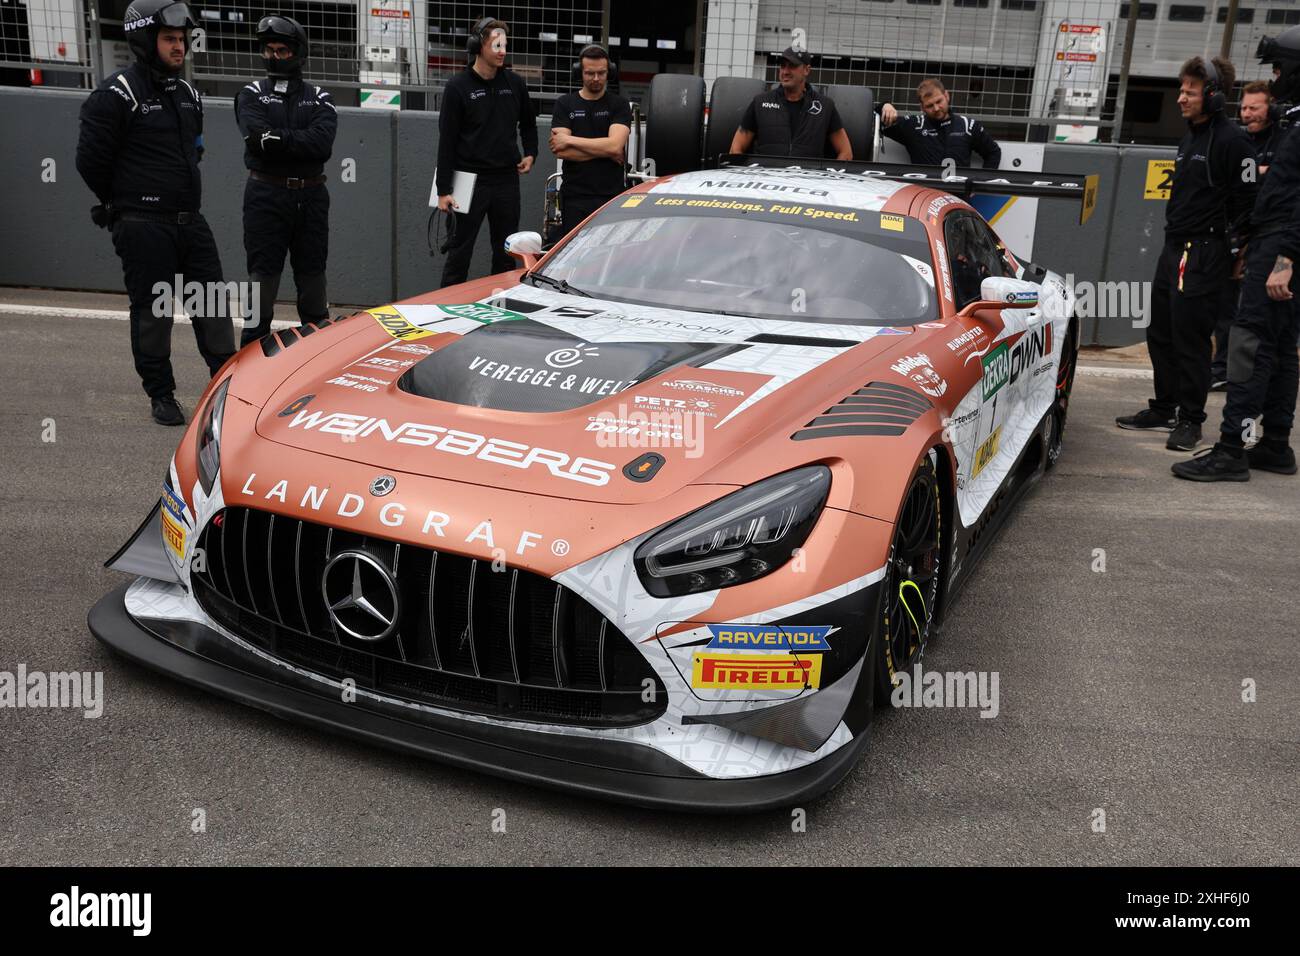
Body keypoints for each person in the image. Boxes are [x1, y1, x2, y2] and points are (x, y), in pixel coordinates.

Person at [75, 0, 234, 426]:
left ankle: (228, 388)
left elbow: (195, 152)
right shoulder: (115, 95)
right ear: (146, 39)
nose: (179, 46)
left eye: (182, 39)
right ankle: (161, 394)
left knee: (215, 307)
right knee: (153, 313)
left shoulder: (188, 94)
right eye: (169, 38)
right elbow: (90, 162)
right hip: (143, 226)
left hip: (189, 221)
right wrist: (121, 206)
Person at [1173, 30, 1300, 481]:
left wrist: (1285, 256)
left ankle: (1232, 448)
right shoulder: (1291, 120)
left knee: (1247, 345)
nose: (1275, 76)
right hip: (1273, 239)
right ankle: (1275, 444)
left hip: (1283, 244)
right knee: (1283, 347)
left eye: (1279, 68)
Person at [1115, 56, 1257, 452]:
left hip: (1204, 252)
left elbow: (1250, 203)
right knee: (1159, 331)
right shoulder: (1190, 136)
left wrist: (1236, 250)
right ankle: (1163, 408)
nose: (1180, 99)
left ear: (1212, 96)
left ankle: (1191, 420)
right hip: (1173, 246)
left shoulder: (1233, 141)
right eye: (1181, 90)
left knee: (1190, 340)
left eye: (1189, 92)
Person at [234, 15, 337, 347]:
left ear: (298, 53)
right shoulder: (250, 94)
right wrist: (296, 142)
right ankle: (249, 365)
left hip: (310, 196)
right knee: (261, 285)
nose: (274, 57)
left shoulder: (319, 97)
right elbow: (256, 139)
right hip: (265, 195)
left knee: (312, 285)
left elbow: (322, 144)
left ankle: (317, 359)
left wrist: (278, 140)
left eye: (282, 51)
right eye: (269, 50)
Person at [435, 17, 537, 288]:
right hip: (467, 180)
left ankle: (499, 309)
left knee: (506, 252)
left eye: (505, 44)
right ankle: (447, 314)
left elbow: (528, 123)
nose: (503, 51)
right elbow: (446, 141)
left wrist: (531, 153)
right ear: (478, 46)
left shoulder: (515, 84)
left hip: (506, 180)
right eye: (496, 45)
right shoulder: (458, 87)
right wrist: (443, 190)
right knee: (459, 253)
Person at [1210, 80, 1283, 388]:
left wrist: (1259, 171)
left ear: (1271, 108)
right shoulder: (1237, 140)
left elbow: (1274, 179)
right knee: (1225, 308)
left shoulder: (1285, 140)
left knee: (1258, 315)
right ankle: (1223, 369)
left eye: (1255, 108)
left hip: (1268, 239)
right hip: (1234, 232)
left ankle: (1248, 373)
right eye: (1243, 108)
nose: (1247, 114)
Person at [549, 44, 631, 240]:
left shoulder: (619, 104)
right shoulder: (564, 103)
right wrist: (607, 151)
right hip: (574, 196)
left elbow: (615, 146)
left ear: (609, 72)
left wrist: (569, 139)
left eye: (601, 73)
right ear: (580, 72)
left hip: (610, 197)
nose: (596, 79)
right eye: (590, 73)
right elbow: (561, 150)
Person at [728, 47, 852, 161]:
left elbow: (845, 152)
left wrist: (830, 181)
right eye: (782, 66)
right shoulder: (760, 103)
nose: (785, 71)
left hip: (809, 181)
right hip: (767, 178)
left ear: (806, 70)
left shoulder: (825, 106)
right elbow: (736, 147)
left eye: (792, 66)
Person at [878, 78, 1002, 169]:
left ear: (946, 96)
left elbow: (993, 152)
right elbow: (873, 118)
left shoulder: (967, 125)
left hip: (958, 200)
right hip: (924, 200)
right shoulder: (914, 125)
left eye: (939, 101)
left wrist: (979, 185)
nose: (936, 108)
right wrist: (885, 105)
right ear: (922, 107)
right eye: (930, 105)